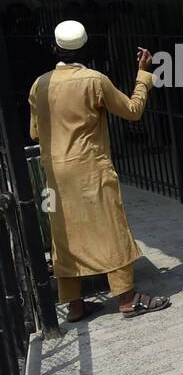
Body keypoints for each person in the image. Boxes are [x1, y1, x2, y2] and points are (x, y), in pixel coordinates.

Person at [29, 20, 170, 321]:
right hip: (90, 166)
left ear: (54, 48)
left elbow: (34, 132)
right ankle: (127, 299)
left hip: (55, 172)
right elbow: (133, 111)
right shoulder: (94, 80)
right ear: (87, 47)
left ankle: (75, 305)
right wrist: (144, 75)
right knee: (110, 229)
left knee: (63, 234)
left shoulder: (38, 84)